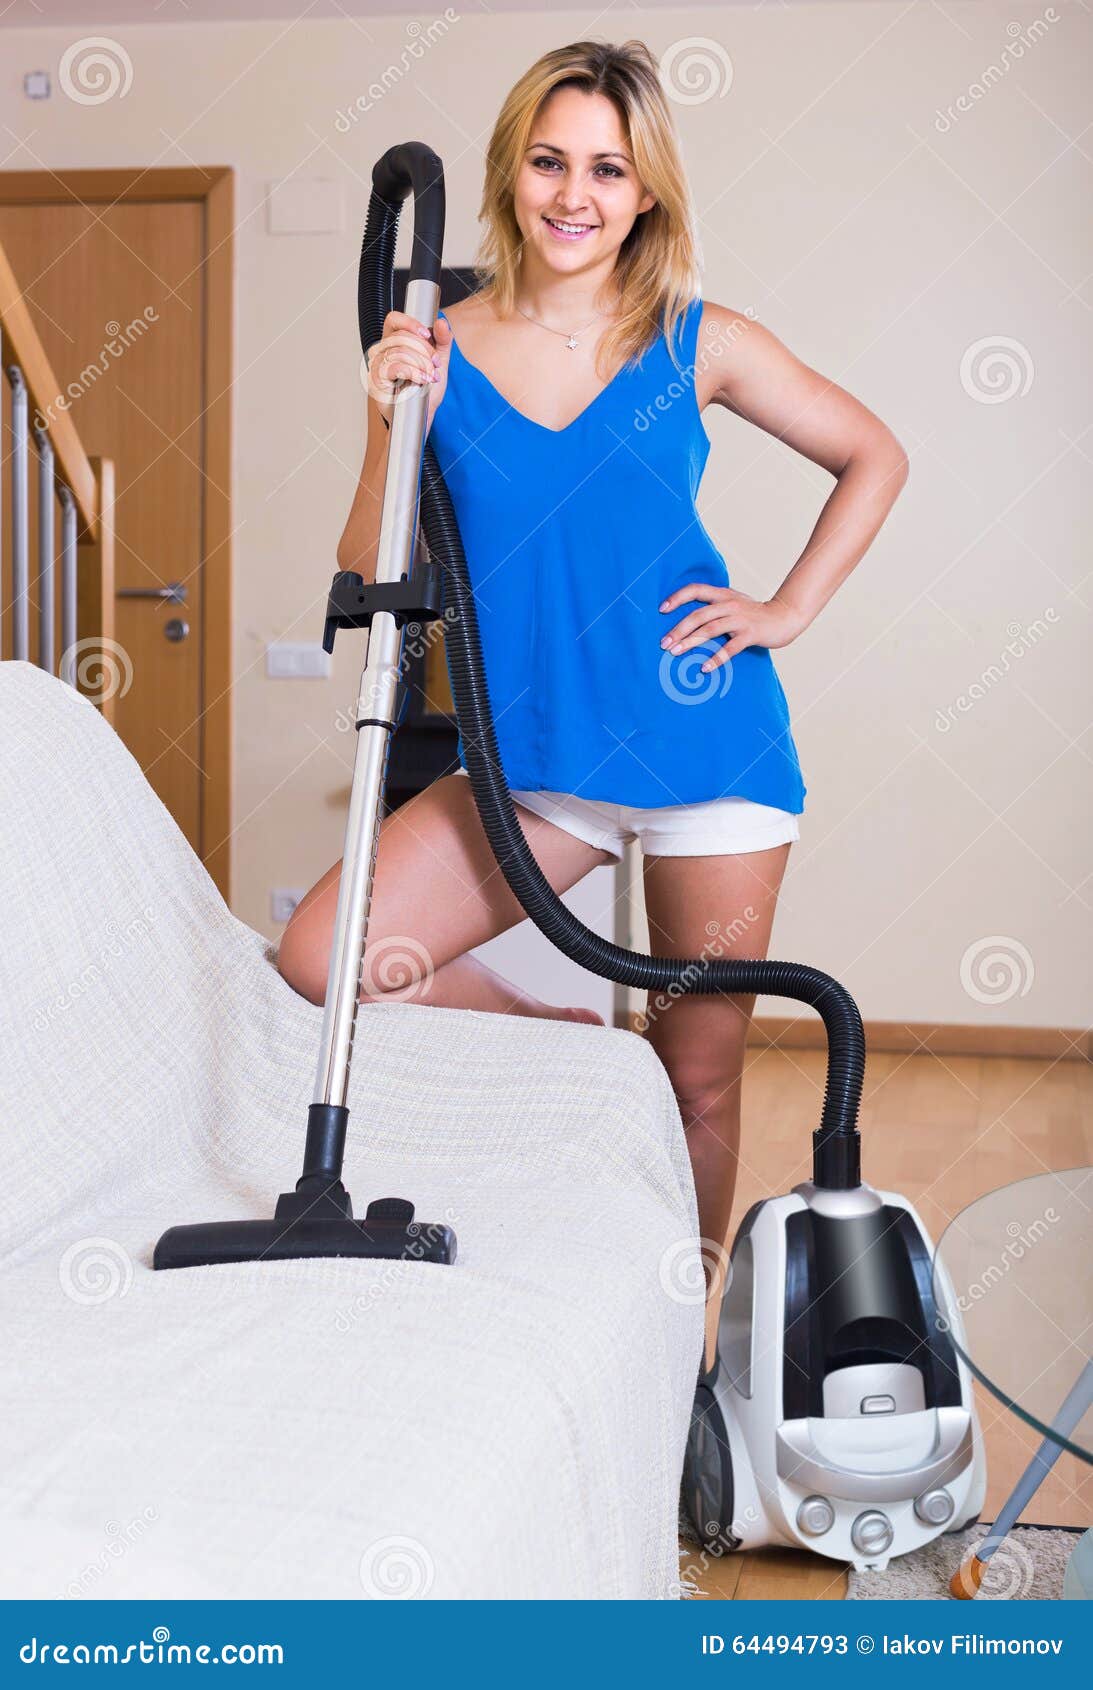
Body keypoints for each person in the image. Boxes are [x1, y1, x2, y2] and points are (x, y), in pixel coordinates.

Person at [277, 39, 909, 1334]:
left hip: (707, 757)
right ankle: (571, 1037)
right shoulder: (437, 346)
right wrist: (383, 411)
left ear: (645, 194)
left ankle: (674, 1339)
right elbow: (368, 563)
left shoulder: (699, 341)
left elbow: (872, 453)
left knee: (702, 1087)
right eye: (551, 160)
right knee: (320, 955)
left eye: (607, 170)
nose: (575, 193)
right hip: (534, 770)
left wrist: (783, 608)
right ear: (512, 172)